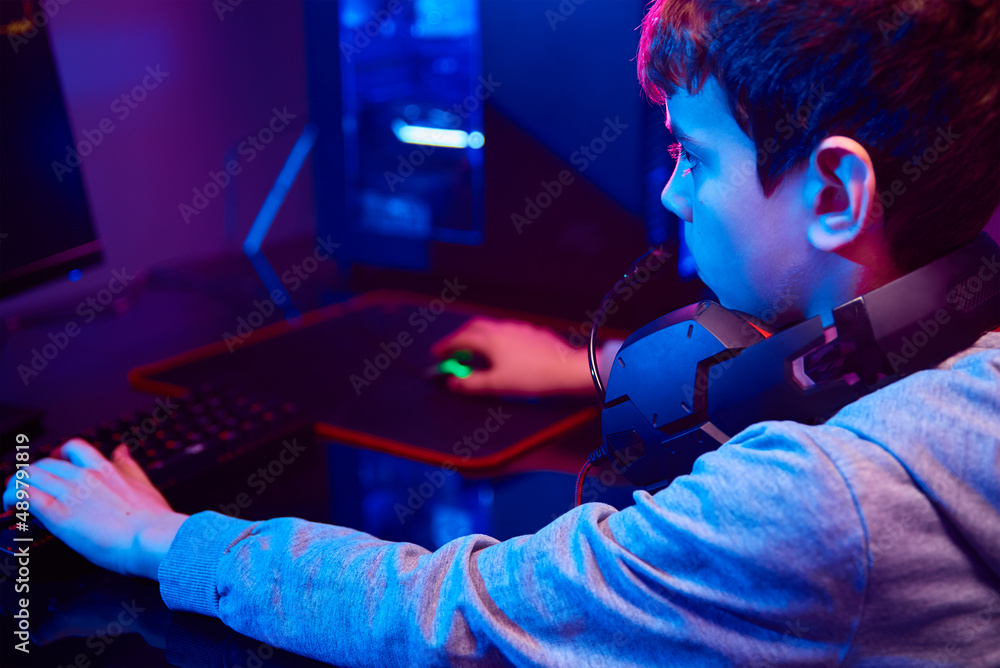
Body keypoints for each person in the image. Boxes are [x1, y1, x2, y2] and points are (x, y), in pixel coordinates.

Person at [6, 0, 1000, 665]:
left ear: (835, 191)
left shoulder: (819, 505)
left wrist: (163, 536)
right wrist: (592, 365)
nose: (670, 190)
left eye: (692, 158)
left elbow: (452, 610)